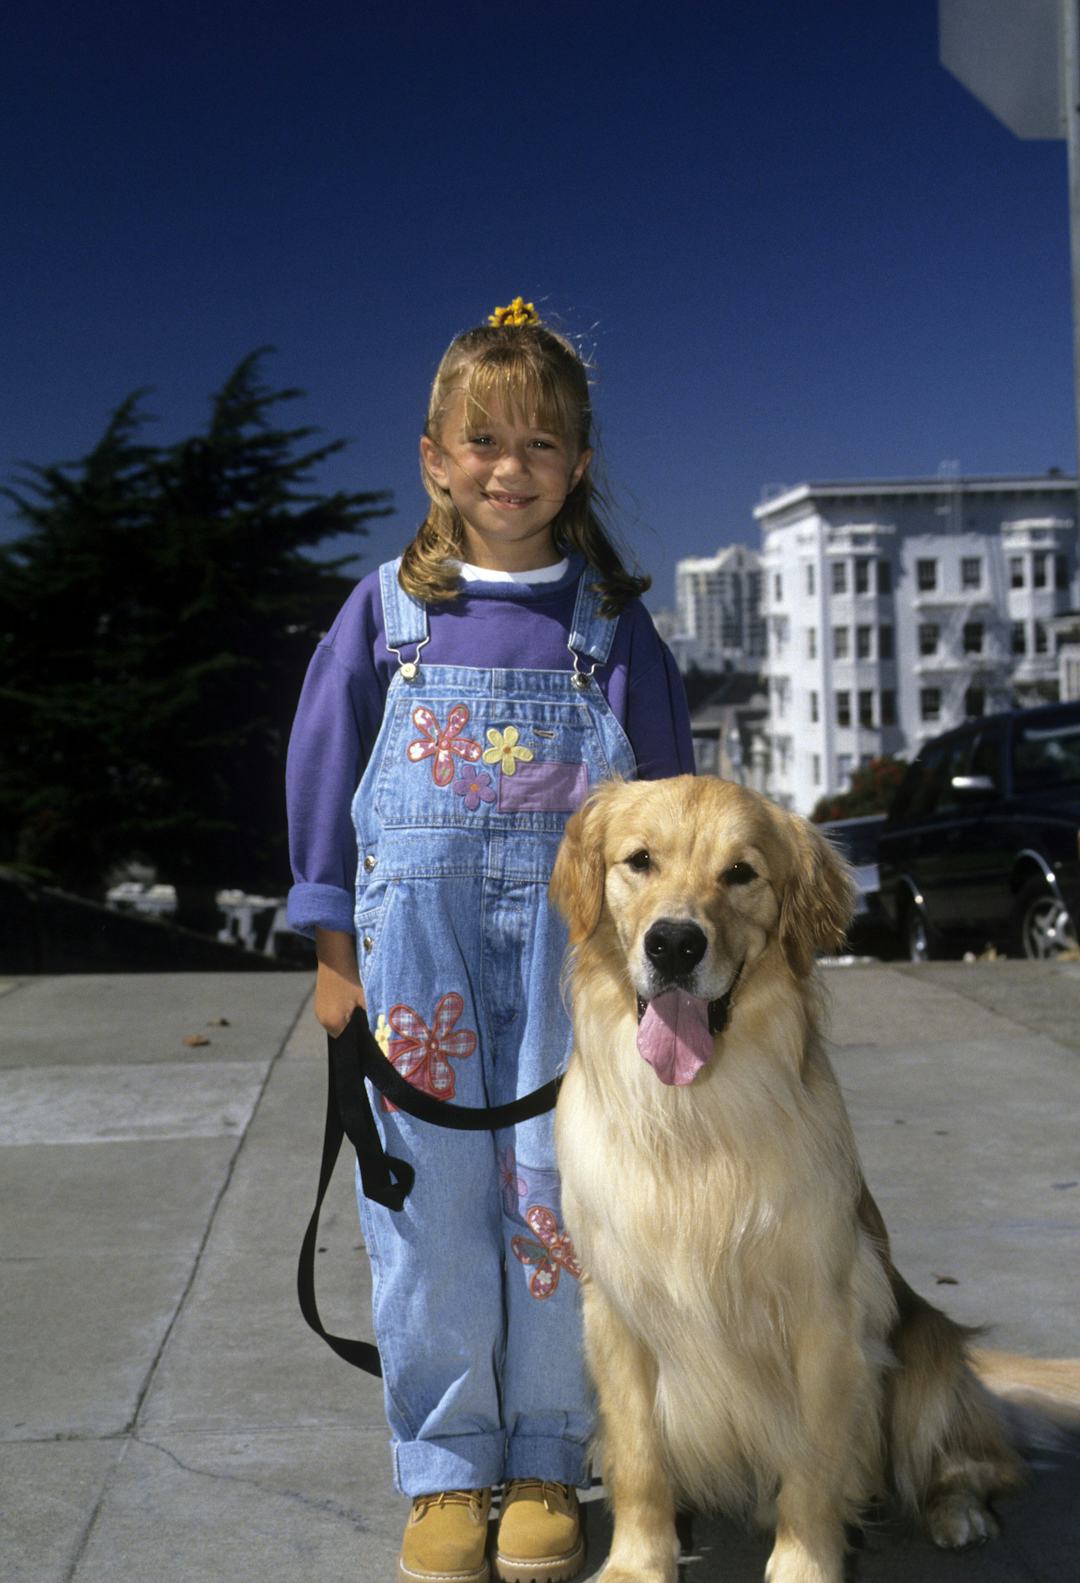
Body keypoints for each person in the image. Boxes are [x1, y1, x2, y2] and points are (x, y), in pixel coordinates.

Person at [286, 297, 694, 1583]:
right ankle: (448, 1463)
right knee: (425, 1203)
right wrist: (332, 948)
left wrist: (664, 971)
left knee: (560, 1202)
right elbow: (323, 773)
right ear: (433, 457)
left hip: (575, 966)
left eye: (538, 443)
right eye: (482, 441)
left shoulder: (613, 628)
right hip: (419, 951)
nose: (507, 467)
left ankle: (548, 1450)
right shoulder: (386, 621)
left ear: (575, 466)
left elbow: (671, 810)